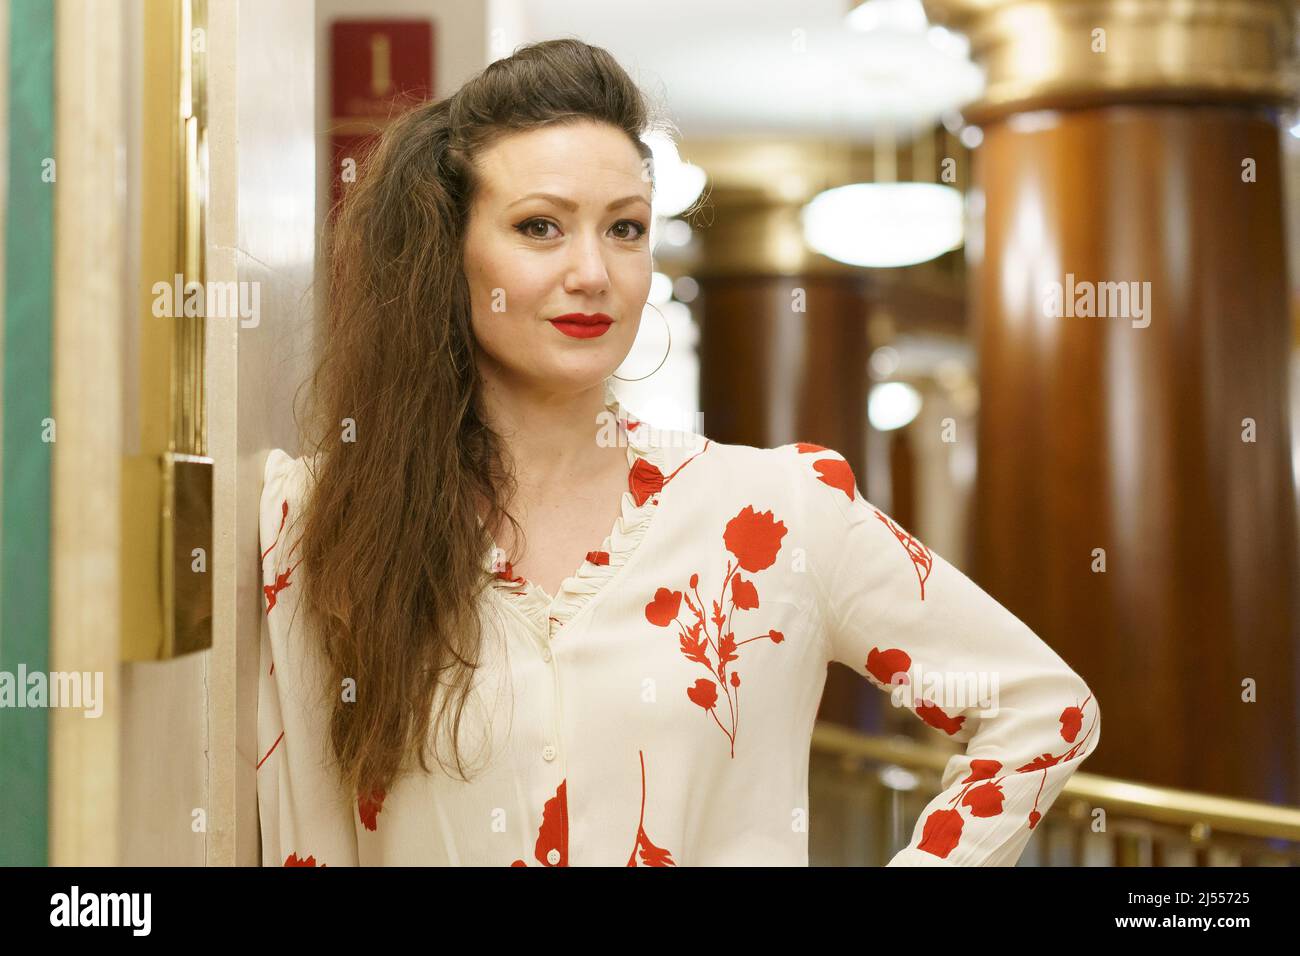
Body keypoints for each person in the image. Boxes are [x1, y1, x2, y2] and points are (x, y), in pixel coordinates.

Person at [256, 38, 1099, 867]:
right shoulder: (326, 524)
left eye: (625, 229)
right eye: (540, 226)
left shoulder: (774, 513)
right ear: (452, 254)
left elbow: (1041, 710)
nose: (594, 271)